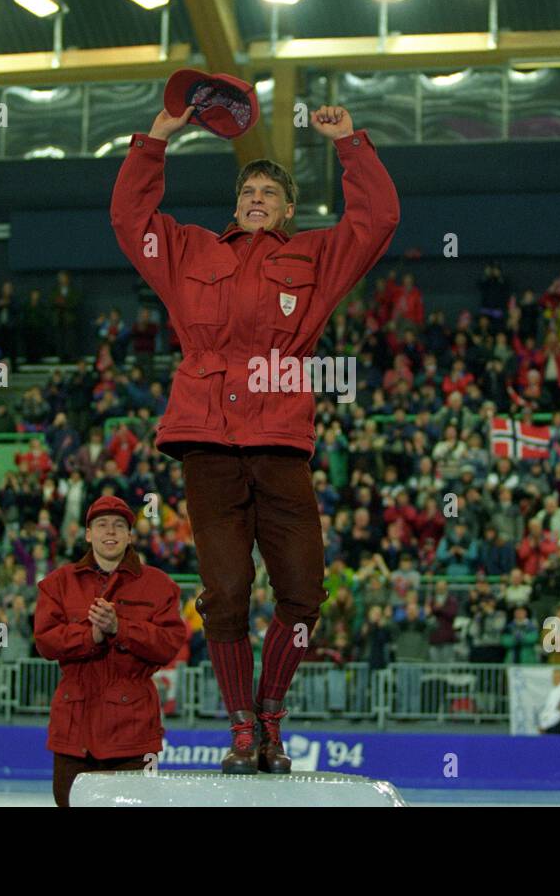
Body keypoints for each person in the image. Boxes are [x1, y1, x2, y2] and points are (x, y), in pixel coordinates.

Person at [111, 95, 399, 773]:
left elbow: (378, 218)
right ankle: (243, 728)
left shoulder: (315, 258)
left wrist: (350, 143)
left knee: (304, 591)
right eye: (248, 189)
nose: (257, 197)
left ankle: (271, 709)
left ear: (288, 209)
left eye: (270, 190)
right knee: (225, 594)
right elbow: (129, 218)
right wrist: (157, 137)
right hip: (206, 446)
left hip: (278, 444)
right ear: (235, 203)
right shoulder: (186, 250)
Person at [34, 496, 184, 807]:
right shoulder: (57, 584)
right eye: (101, 525)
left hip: (133, 730)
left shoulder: (160, 585)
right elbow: (45, 642)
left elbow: (169, 644)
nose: (110, 532)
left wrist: (121, 628)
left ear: (130, 535)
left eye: (119, 526)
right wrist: (90, 635)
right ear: (88, 533)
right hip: (74, 728)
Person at [538, 668, 560, 734]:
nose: (554, 679)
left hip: (557, 725)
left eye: (557, 677)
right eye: (553, 677)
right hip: (548, 725)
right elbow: (548, 710)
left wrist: (545, 725)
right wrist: (543, 724)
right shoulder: (553, 691)